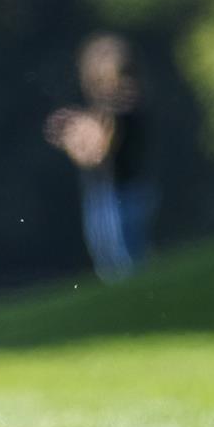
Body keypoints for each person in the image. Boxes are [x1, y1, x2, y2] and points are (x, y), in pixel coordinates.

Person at [44, 33, 156, 282]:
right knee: (114, 258)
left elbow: (98, 152)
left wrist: (73, 136)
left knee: (125, 260)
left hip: (124, 191)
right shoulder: (116, 109)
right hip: (109, 192)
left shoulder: (123, 110)